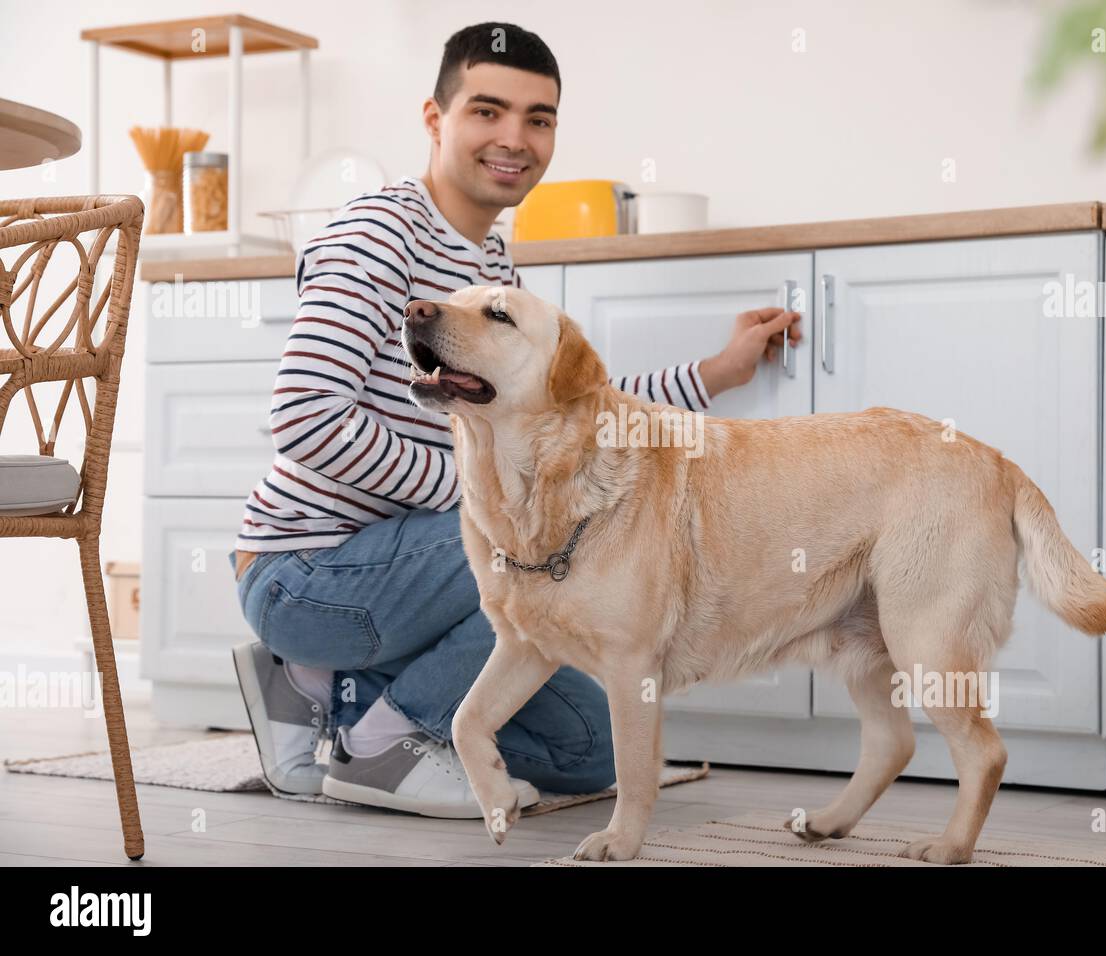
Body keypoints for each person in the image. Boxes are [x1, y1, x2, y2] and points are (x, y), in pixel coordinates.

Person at [227, 20, 802, 817]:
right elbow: (305, 415)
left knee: (591, 748)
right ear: (435, 120)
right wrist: (469, 492)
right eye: (487, 111)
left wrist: (714, 374)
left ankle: (317, 688)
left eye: (539, 119)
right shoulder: (377, 234)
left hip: (413, 565)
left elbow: (570, 405)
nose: (515, 138)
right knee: (548, 539)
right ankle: (380, 742)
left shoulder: (491, 263)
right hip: (306, 569)